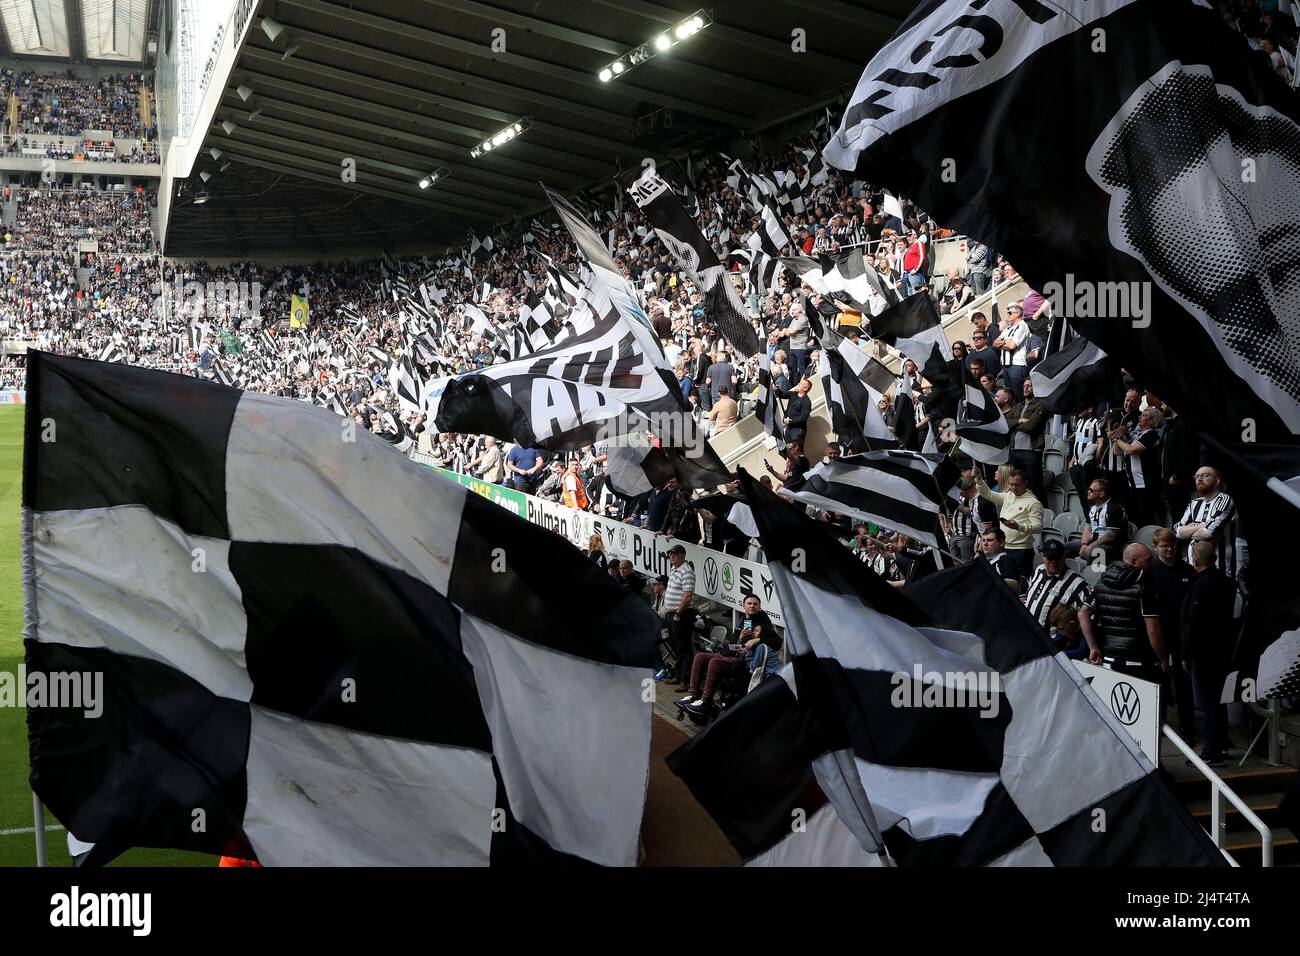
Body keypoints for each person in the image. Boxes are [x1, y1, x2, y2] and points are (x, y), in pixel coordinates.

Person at [1181, 540, 1239, 766]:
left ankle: (1211, 751)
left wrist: (1185, 654)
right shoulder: (1226, 583)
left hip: (1203, 653)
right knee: (1218, 701)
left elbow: (1192, 624)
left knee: (1207, 704)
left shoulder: (1199, 586)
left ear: (1195, 560)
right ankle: (1221, 744)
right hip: (1222, 649)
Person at [1078, 543, 1167, 682]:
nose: (1152, 563)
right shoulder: (1144, 585)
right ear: (1133, 561)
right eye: (1148, 560)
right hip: (1140, 661)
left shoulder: (1103, 580)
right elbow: (1153, 629)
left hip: (1109, 657)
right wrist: (1163, 658)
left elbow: (1083, 613)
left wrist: (1093, 647)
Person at [680, 594, 779, 713]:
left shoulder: (762, 619)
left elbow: (777, 641)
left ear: (759, 607)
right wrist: (741, 638)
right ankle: (693, 695)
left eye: (755, 604)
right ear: (744, 606)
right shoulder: (744, 618)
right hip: (729, 652)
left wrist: (758, 639)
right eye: (749, 603)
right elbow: (735, 642)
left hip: (740, 659)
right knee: (700, 656)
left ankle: (704, 703)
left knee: (714, 662)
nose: (752, 606)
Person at [1151, 527, 1197, 742]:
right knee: (1157, 681)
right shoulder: (1151, 571)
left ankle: (1187, 729)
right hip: (1159, 632)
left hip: (1181, 635)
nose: (1169, 549)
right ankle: (1156, 724)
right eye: (1164, 546)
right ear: (1156, 547)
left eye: (1172, 545)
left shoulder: (1187, 570)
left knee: (1183, 684)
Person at [968, 467, 1042, 581]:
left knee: (1021, 583)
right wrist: (978, 479)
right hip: (1005, 548)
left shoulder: (1033, 503)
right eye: (1011, 484)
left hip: (1021, 550)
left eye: (1017, 484)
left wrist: (1019, 526)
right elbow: (988, 494)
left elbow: (1038, 527)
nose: (1013, 487)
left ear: (1025, 483)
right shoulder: (1008, 496)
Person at [1173, 466, 1237, 577]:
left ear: (1217, 481)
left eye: (1205, 475)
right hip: (1193, 562)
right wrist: (1201, 526)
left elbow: (1208, 533)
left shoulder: (1225, 499)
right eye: (1196, 476)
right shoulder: (1194, 503)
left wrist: (1190, 529)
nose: (1200, 479)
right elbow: (1177, 531)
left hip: (1219, 562)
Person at [1108, 405, 1164, 525]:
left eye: (1144, 416)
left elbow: (1131, 450)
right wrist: (1117, 435)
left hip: (1146, 484)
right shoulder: (1136, 434)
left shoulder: (1151, 435)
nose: (1140, 417)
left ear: (1152, 420)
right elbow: (1117, 451)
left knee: (1146, 518)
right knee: (1134, 517)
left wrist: (1115, 439)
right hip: (1132, 483)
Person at [1023, 539, 1090, 629]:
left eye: (1057, 558)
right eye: (1050, 558)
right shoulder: (1039, 570)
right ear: (1043, 556)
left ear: (1064, 556)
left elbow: (1089, 616)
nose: (1054, 562)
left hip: (1051, 640)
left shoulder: (1077, 583)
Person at [663, 545, 697, 690]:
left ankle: (686, 679)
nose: (672, 557)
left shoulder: (687, 571)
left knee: (684, 647)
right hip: (673, 613)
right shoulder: (674, 569)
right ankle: (678, 675)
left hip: (682, 614)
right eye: (671, 555)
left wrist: (678, 613)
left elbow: (687, 597)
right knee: (676, 646)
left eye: (675, 555)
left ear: (682, 555)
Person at [1079, 477, 1127, 564]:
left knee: (1093, 552)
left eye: (1091, 490)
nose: (1088, 492)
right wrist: (1084, 544)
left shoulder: (1113, 508)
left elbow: (1111, 535)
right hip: (1096, 543)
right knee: (1065, 547)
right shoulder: (1093, 508)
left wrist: (1091, 546)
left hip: (1113, 546)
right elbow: (1089, 528)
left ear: (1101, 494)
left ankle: (1093, 575)